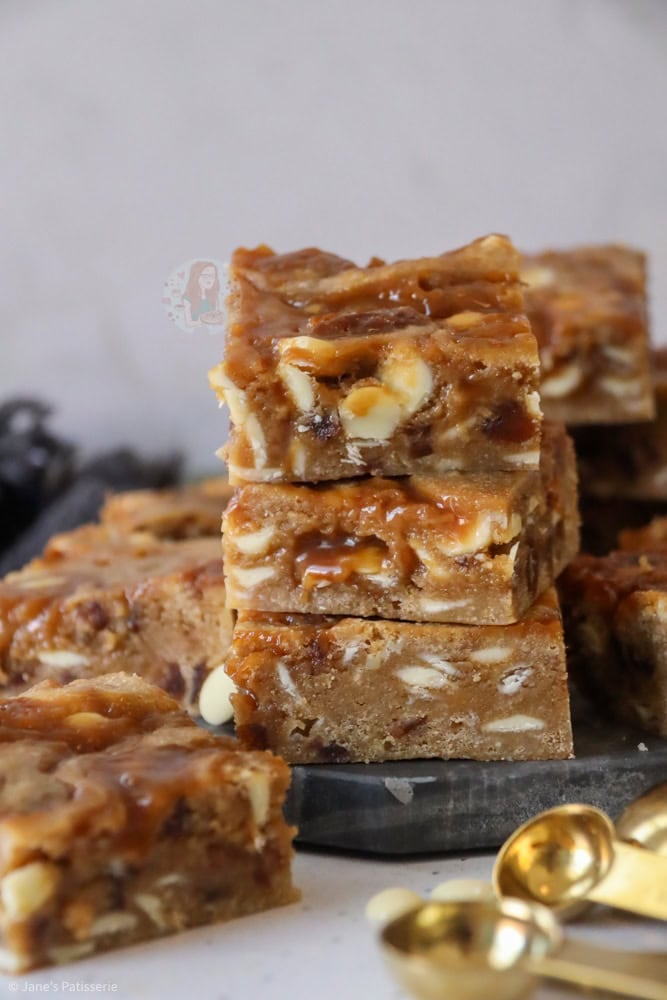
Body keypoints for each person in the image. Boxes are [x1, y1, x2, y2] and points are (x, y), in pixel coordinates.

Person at [182, 261, 221, 329]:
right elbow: (189, 323)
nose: (210, 279)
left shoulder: (214, 296)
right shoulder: (188, 298)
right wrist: (203, 321)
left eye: (212, 275)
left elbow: (217, 317)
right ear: (196, 276)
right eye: (206, 275)